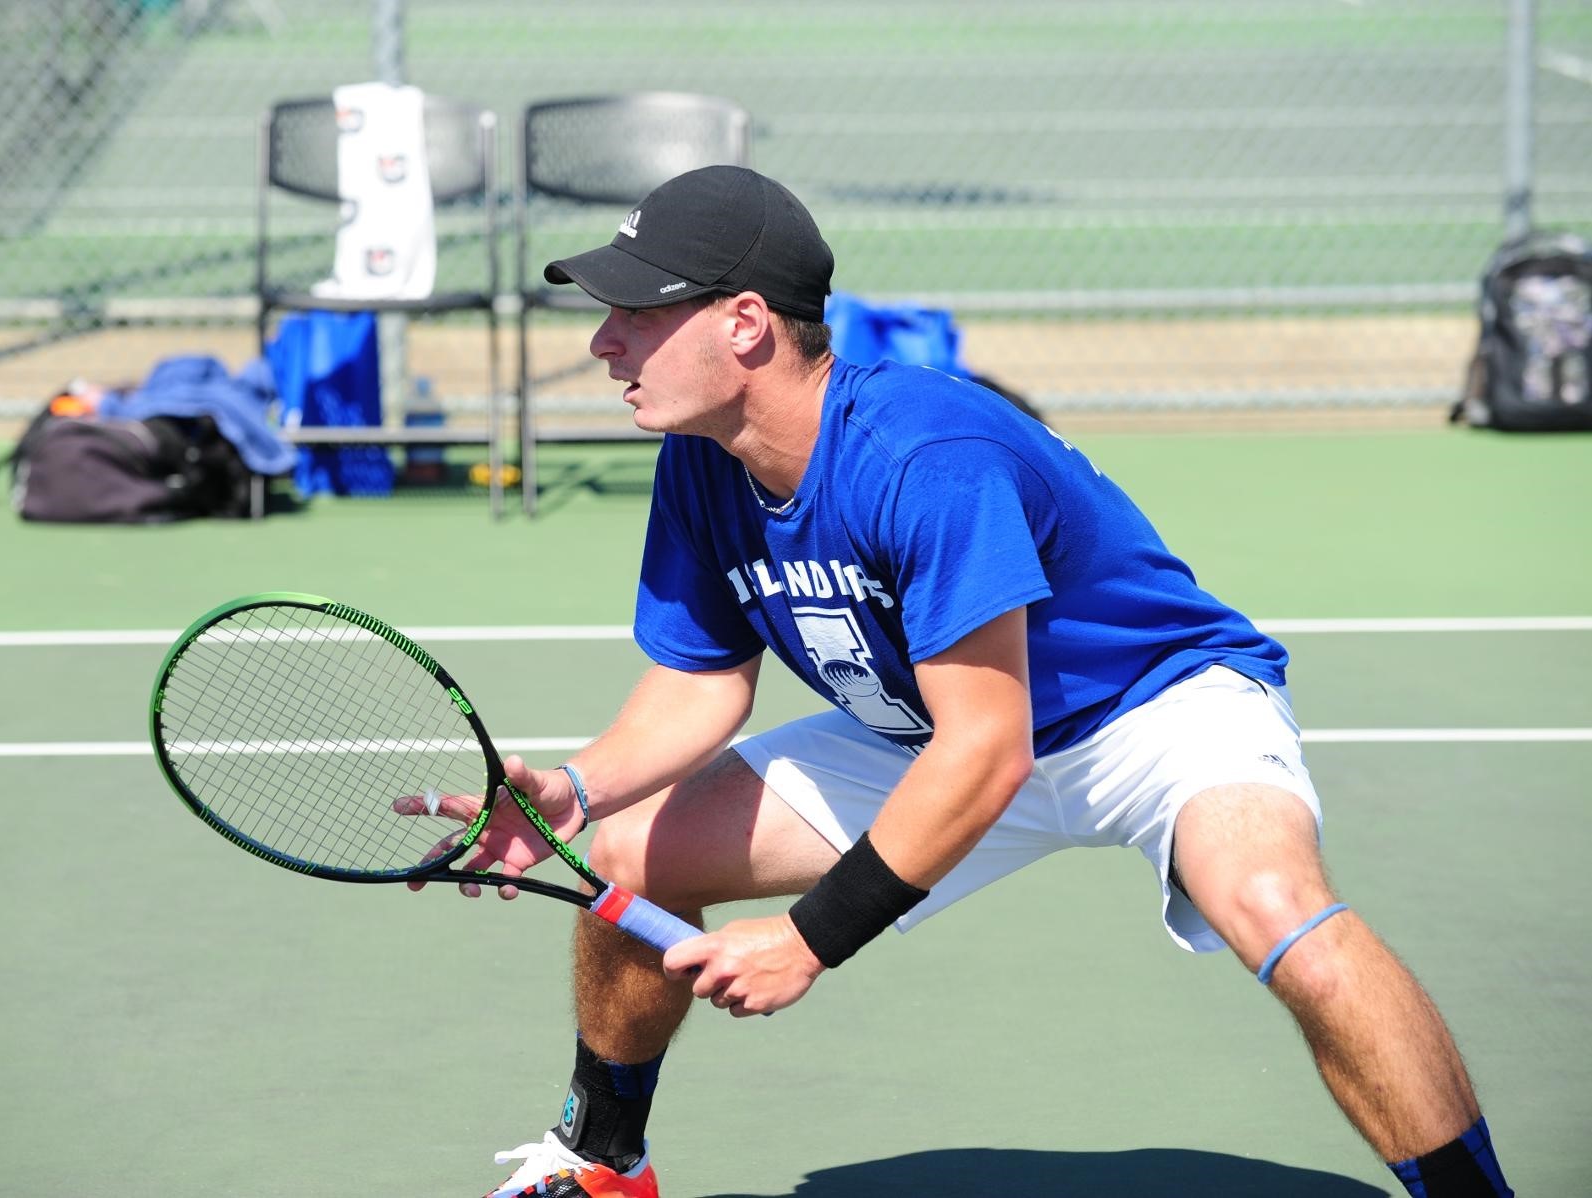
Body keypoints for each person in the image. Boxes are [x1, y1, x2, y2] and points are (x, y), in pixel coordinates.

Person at [438, 165, 1513, 1198]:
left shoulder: (923, 456)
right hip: (934, 726)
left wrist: (811, 937)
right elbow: (700, 683)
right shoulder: (704, 454)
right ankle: (600, 1162)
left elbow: (987, 749)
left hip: (1149, 712)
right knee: (631, 852)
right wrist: (576, 792)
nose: (600, 340)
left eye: (635, 311)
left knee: (1276, 907)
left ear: (744, 324)